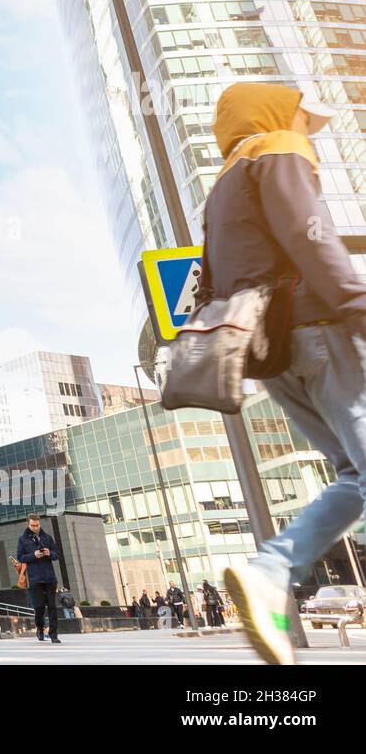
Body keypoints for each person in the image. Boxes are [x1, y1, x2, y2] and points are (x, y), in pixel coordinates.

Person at [201, 84, 366, 665]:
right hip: (319, 329)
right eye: (301, 112)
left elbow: (213, 284)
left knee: (356, 472)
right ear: (274, 111)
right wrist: (356, 303)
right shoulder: (279, 146)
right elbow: (310, 233)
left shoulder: (221, 186)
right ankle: (271, 569)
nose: (305, 123)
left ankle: (271, 571)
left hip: (269, 353)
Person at [17, 514, 63, 644]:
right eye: (33, 525)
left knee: (52, 607)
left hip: (49, 578)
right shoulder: (22, 539)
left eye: (37, 525)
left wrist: (49, 553)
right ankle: (40, 629)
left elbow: (56, 555)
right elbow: (20, 557)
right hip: (35, 579)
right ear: (28, 524)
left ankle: (53, 634)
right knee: (39, 608)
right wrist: (34, 555)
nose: (35, 527)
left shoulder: (47, 537)